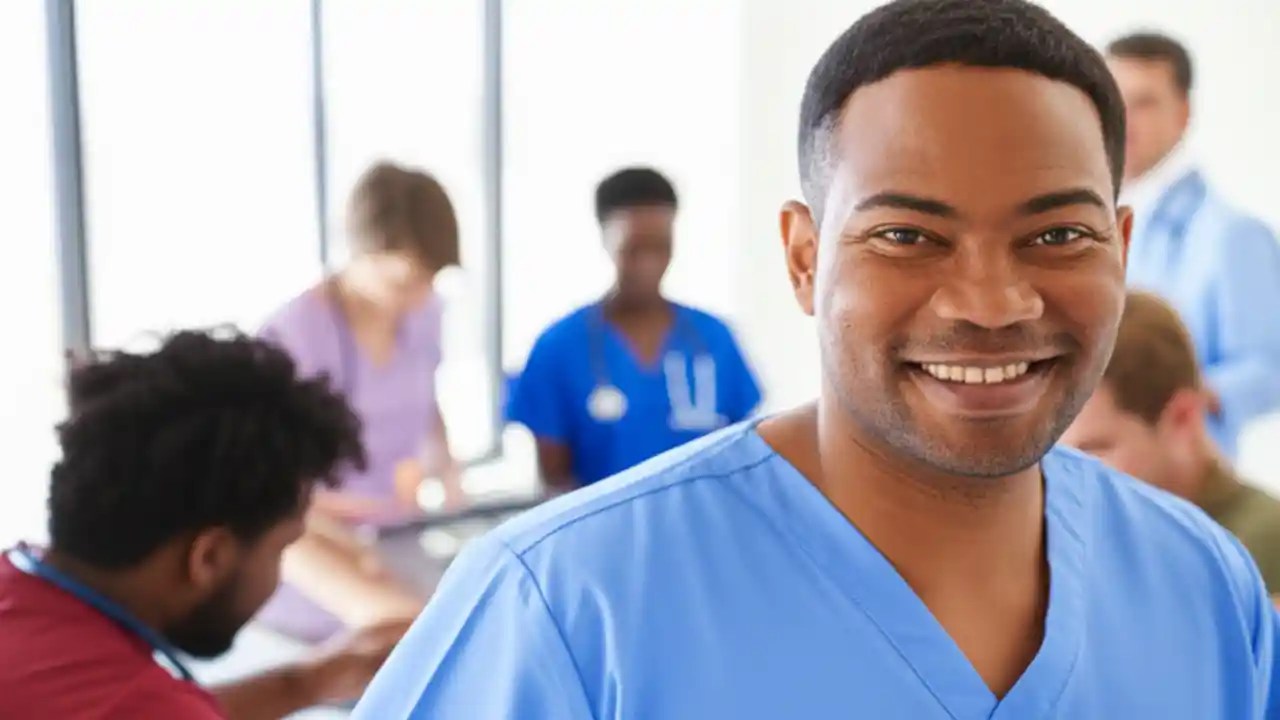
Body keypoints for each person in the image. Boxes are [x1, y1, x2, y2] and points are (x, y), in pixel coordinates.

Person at [355, 1, 1279, 717]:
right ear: (804, 258)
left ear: (1121, 247)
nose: (993, 304)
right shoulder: (563, 607)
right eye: (910, 234)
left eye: (1060, 233)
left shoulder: (1203, 587)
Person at [0, 331, 410, 719]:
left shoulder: (15, 582)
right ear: (209, 556)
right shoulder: (138, 706)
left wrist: (305, 683)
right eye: (281, 549)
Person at [257, 161, 465, 643]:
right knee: (413, 639)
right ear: (359, 254)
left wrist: (450, 483)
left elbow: (425, 402)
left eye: (428, 280)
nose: (416, 296)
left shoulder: (424, 313)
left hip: (395, 537)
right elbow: (268, 489)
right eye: (402, 282)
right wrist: (367, 513)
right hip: (315, 553)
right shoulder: (296, 335)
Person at [506, 167, 762, 489]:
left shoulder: (715, 339)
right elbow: (554, 482)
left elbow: (744, 459)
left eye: (661, 246)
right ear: (605, 238)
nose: (649, 263)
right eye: (634, 249)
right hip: (598, 537)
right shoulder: (558, 348)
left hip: (703, 532)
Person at [1106, 32, 1280, 461]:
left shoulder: (1232, 235)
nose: (1126, 120)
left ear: (1183, 113)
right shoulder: (1088, 224)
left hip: (1182, 477)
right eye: (1115, 101)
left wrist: (1181, 391)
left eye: (1145, 103)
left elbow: (1269, 370)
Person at [1061, 290, 1280, 594]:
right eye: (1054, 455)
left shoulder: (1260, 550)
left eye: (1094, 450)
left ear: (1183, 418)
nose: (1064, 478)